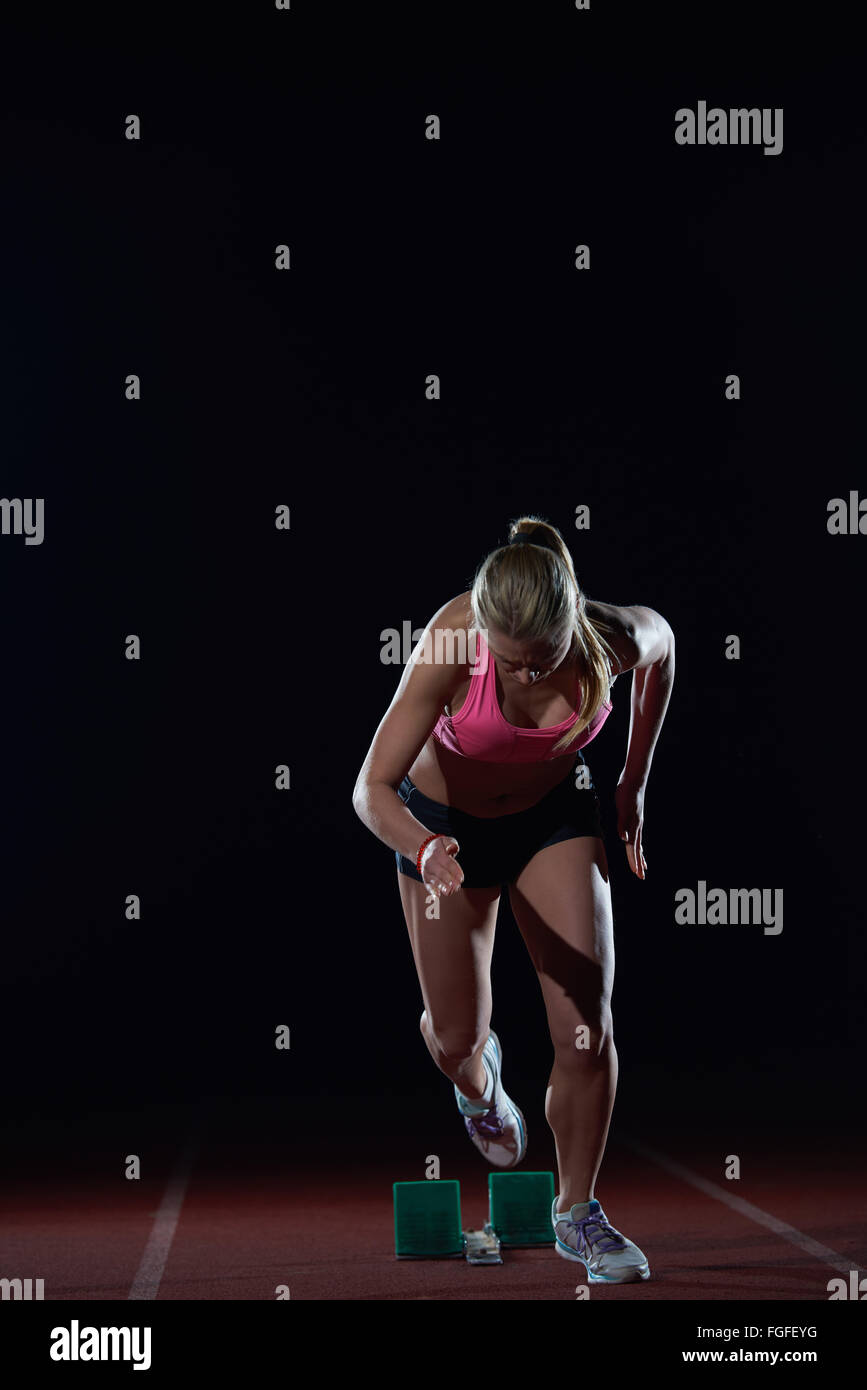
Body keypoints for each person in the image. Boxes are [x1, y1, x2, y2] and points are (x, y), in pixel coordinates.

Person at [352, 515, 675, 1283]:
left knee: (588, 1026)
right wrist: (424, 848)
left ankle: (577, 1215)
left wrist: (631, 783)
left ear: (572, 627)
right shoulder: (451, 641)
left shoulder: (612, 636)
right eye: (511, 664)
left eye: (541, 663)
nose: (526, 678)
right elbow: (369, 789)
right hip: (443, 830)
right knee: (456, 1038)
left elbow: (664, 656)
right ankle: (480, 1086)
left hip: (550, 821)